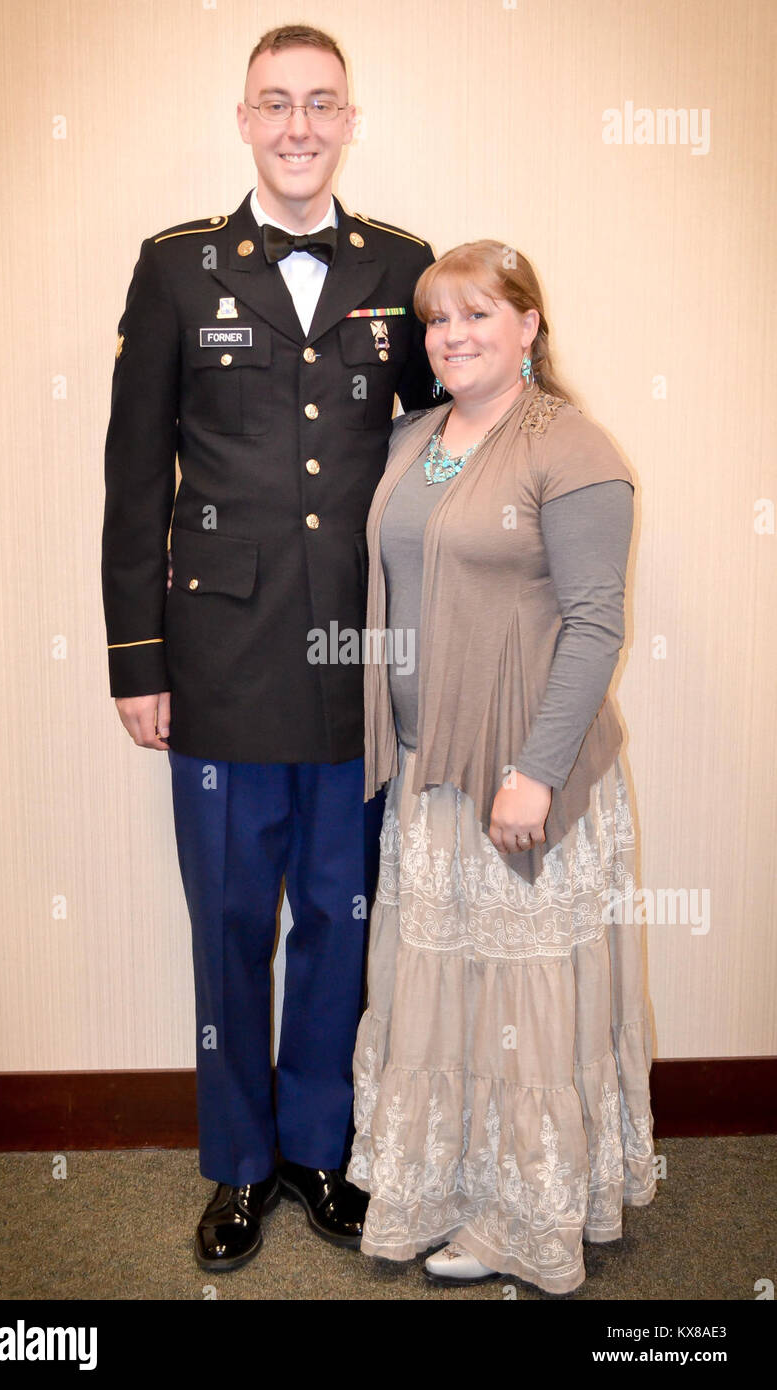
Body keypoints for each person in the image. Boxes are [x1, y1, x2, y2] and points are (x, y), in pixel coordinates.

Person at [100, 23, 436, 1273]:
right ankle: (239, 1166)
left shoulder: (405, 268)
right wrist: (140, 656)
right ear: (243, 119)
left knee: (342, 925)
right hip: (222, 663)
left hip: (358, 671)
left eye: (322, 103)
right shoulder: (178, 268)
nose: (299, 124)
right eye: (275, 102)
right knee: (234, 921)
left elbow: (449, 439)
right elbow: (136, 477)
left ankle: (316, 1150)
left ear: (352, 119)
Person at [348, 239, 657, 1295]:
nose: (454, 337)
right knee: (447, 992)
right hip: (429, 768)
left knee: (520, 1001)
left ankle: (522, 1213)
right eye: (438, 321)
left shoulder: (569, 447)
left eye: (480, 315)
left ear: (528, 325)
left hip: (522, 778)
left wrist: (534, 769)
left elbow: (594, 623)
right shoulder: (417, 435)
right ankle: (445, 1187)